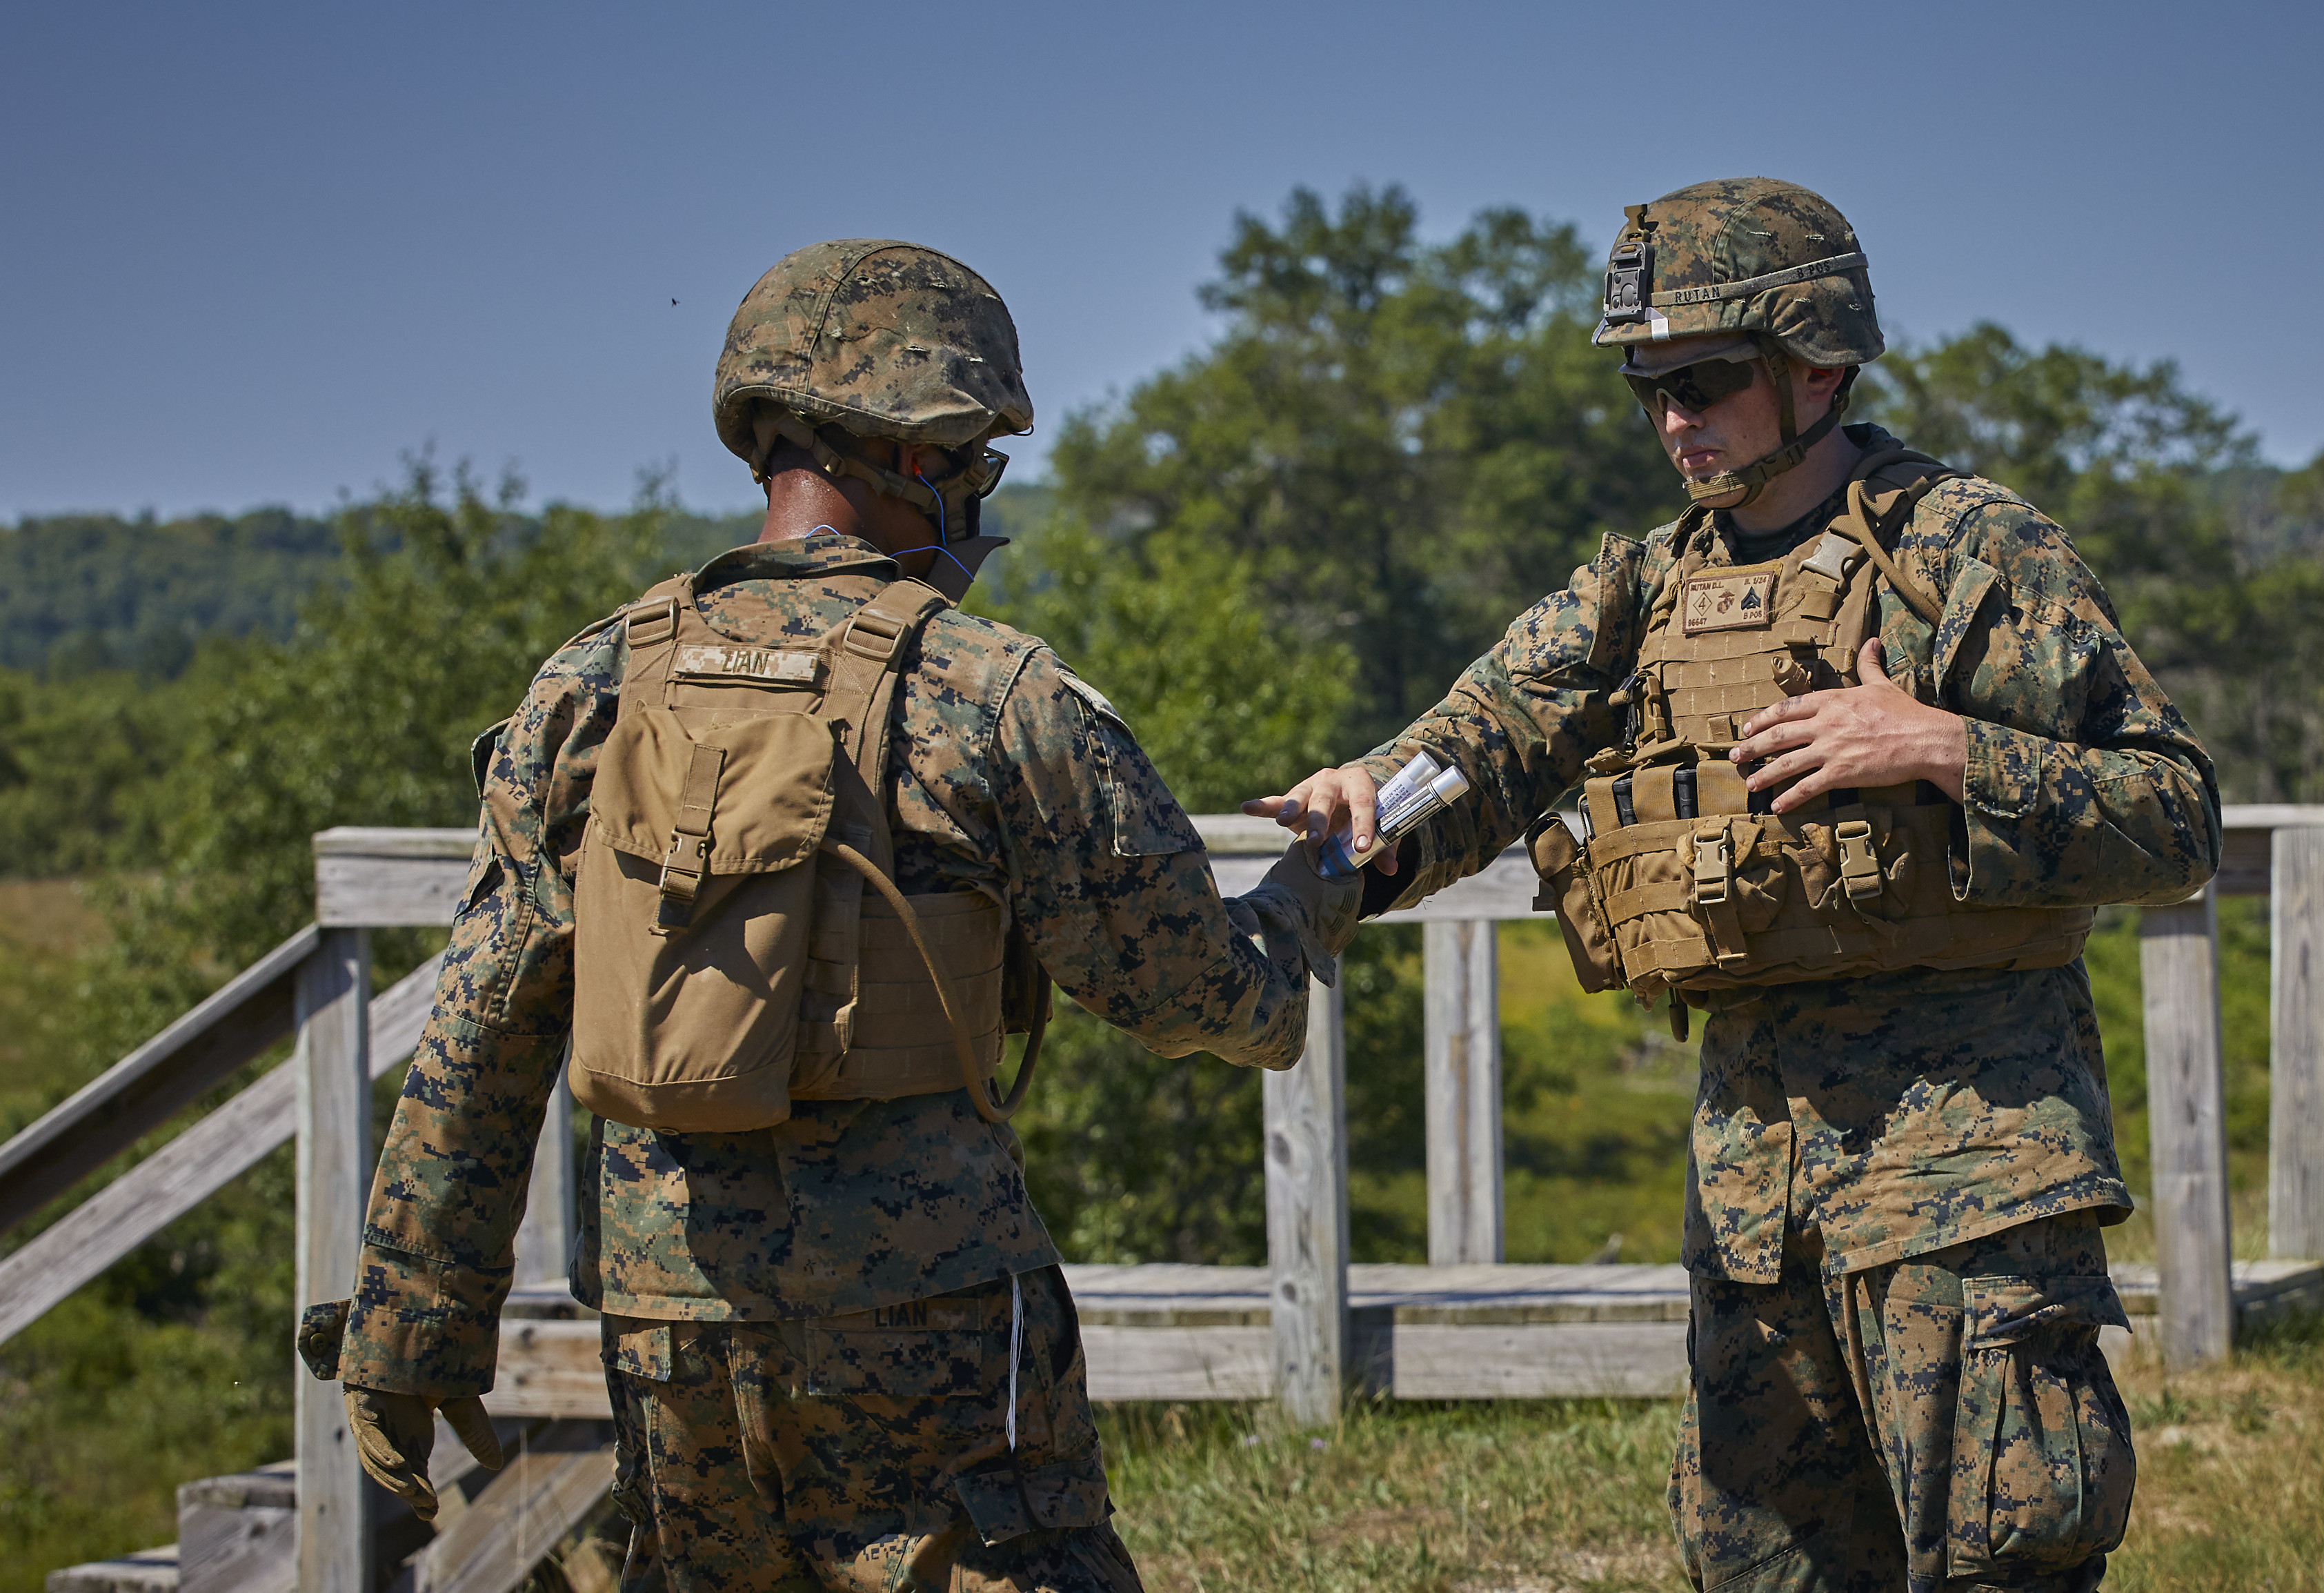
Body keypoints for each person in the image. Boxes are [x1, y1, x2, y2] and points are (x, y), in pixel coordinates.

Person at [300, 238, 1359, 1593]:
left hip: (670, 1326)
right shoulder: (993, 695)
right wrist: (1307, 900)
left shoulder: (587, 687)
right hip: (926, 1324)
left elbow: (481, 1034)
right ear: (920, 453)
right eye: (977, 460)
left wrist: (412, 1325)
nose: (980, 497)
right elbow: (1211, 1001)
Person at [1246, 178, 2221, 1593]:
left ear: (1814, 363)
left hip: (1965, 1172)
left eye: (1701, 380)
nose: (1670, 419)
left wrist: (1942, 748)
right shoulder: (1646, 589)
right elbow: (1479, 745)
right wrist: (1365, 804)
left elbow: (2174, 816)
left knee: (2004, 1564)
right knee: (1760, 1571)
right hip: (1755, 1196)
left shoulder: (1963, 551)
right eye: (1647, 386)